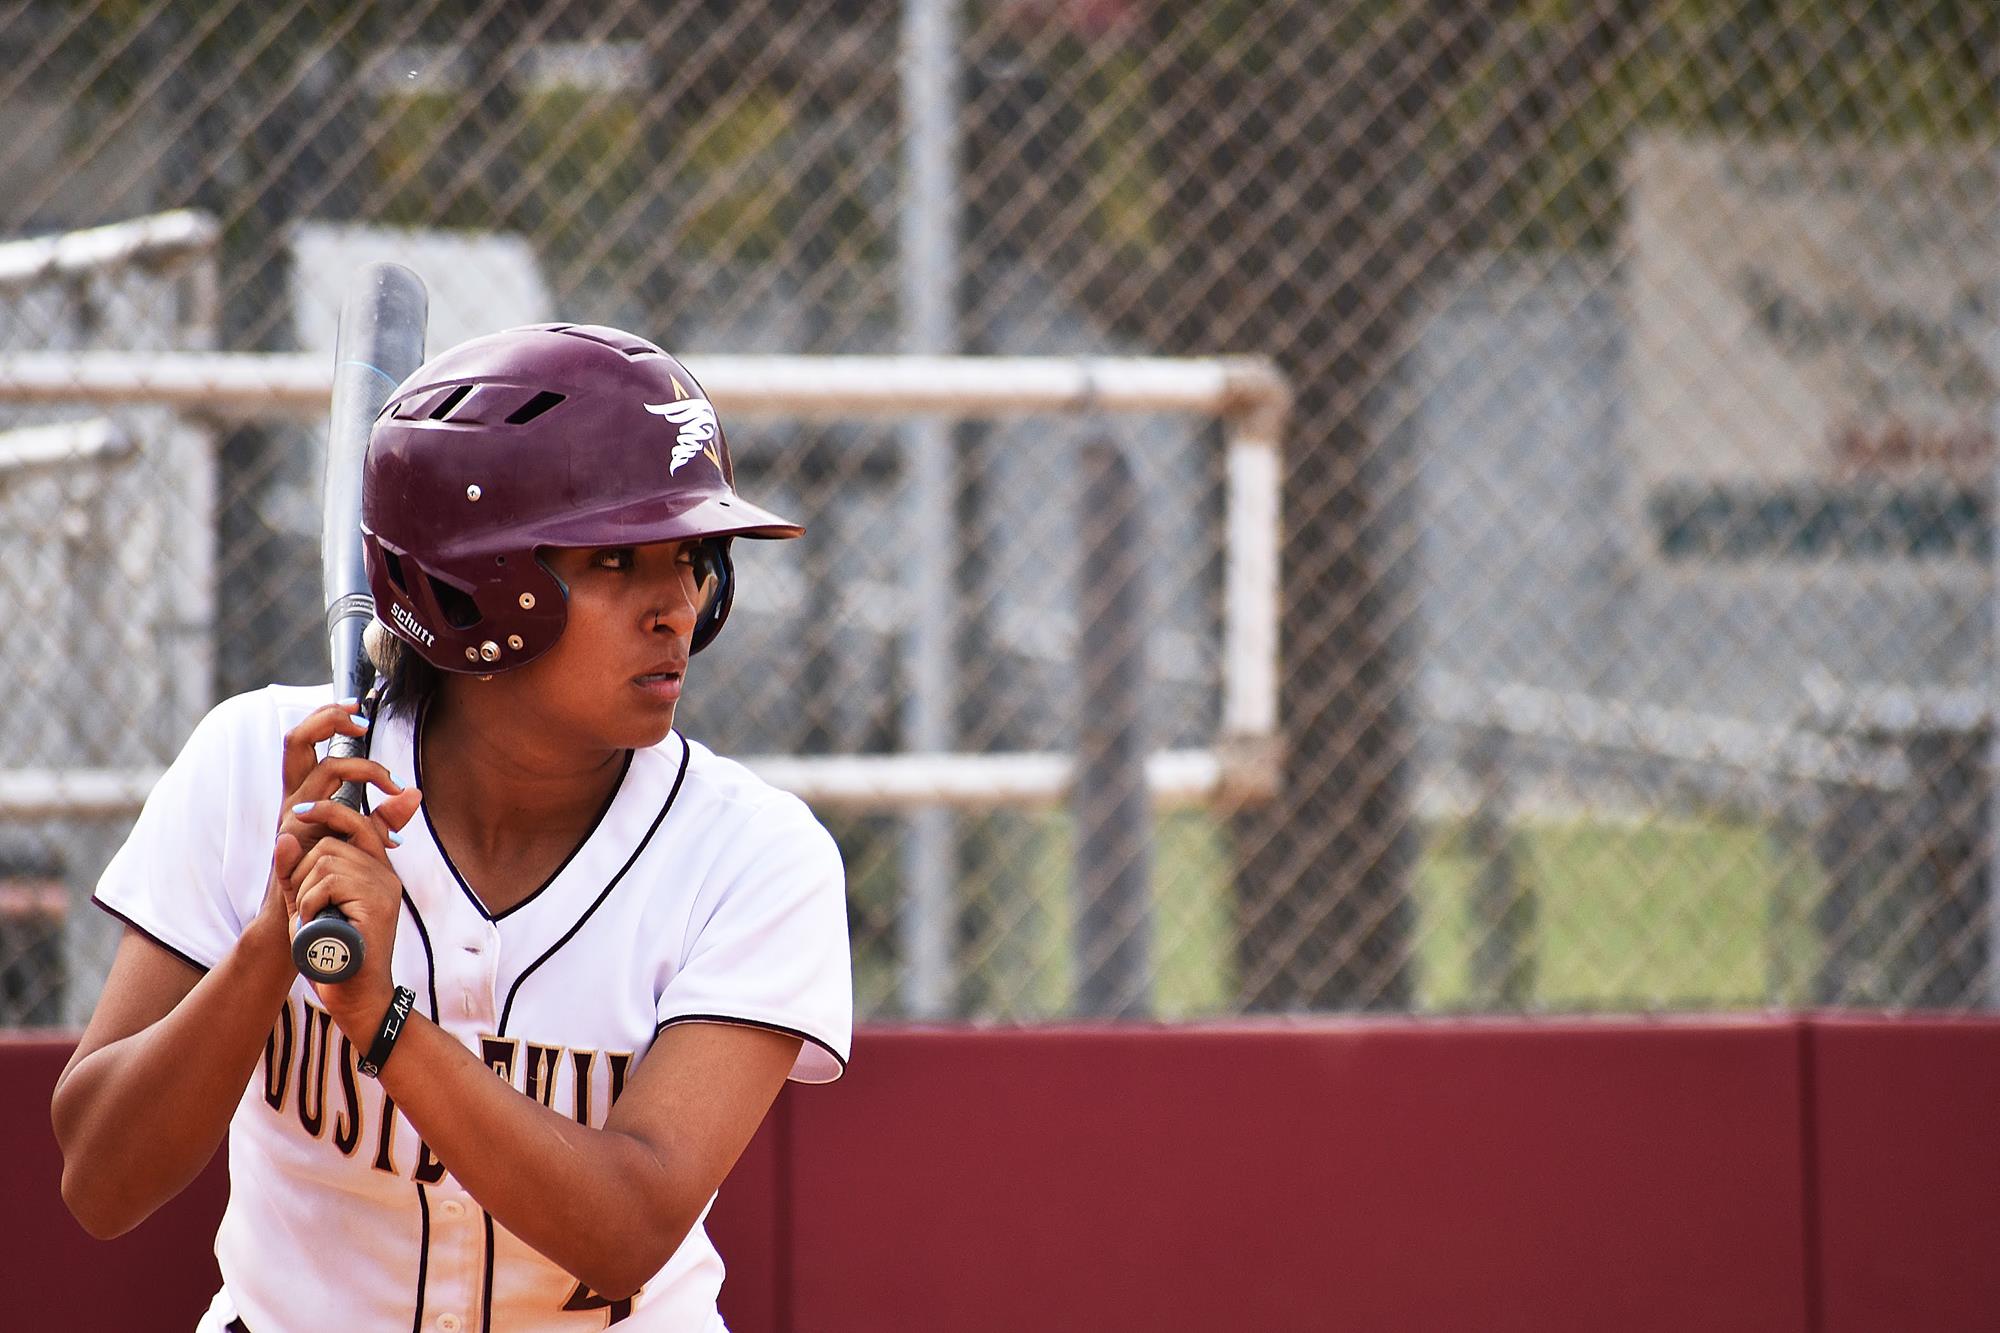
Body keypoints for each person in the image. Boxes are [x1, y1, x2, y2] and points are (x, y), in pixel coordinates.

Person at [50, 323, 853, 1331]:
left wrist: (380, 1020)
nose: (676, 606)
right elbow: (100, 1179)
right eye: (616, 559)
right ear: (475, 583)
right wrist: (268, 947)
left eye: (691, 557)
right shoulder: (265, 763)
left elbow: (628, 1229)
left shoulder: (751, 855)